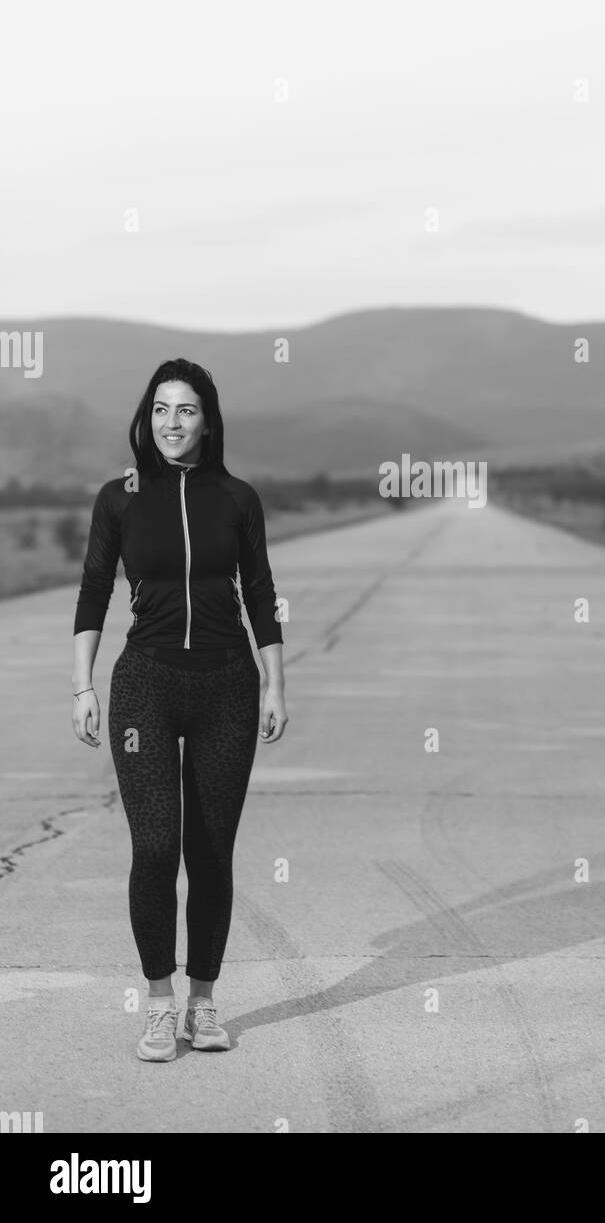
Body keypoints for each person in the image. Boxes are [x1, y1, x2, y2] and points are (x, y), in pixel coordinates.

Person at [71, 358, 288, 1061]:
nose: (172, 422)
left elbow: (259, 592)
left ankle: (203, 1003)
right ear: (146, 418)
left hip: (229, 685)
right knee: (157, 846)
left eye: (186, 409)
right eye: (160, 409)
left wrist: (275, 683)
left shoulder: (237, 497)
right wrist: (84, 685)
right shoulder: (120, 497)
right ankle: (159, 1005)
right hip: (146, 686)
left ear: (208, 420)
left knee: (210, 851)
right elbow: (94, 590)